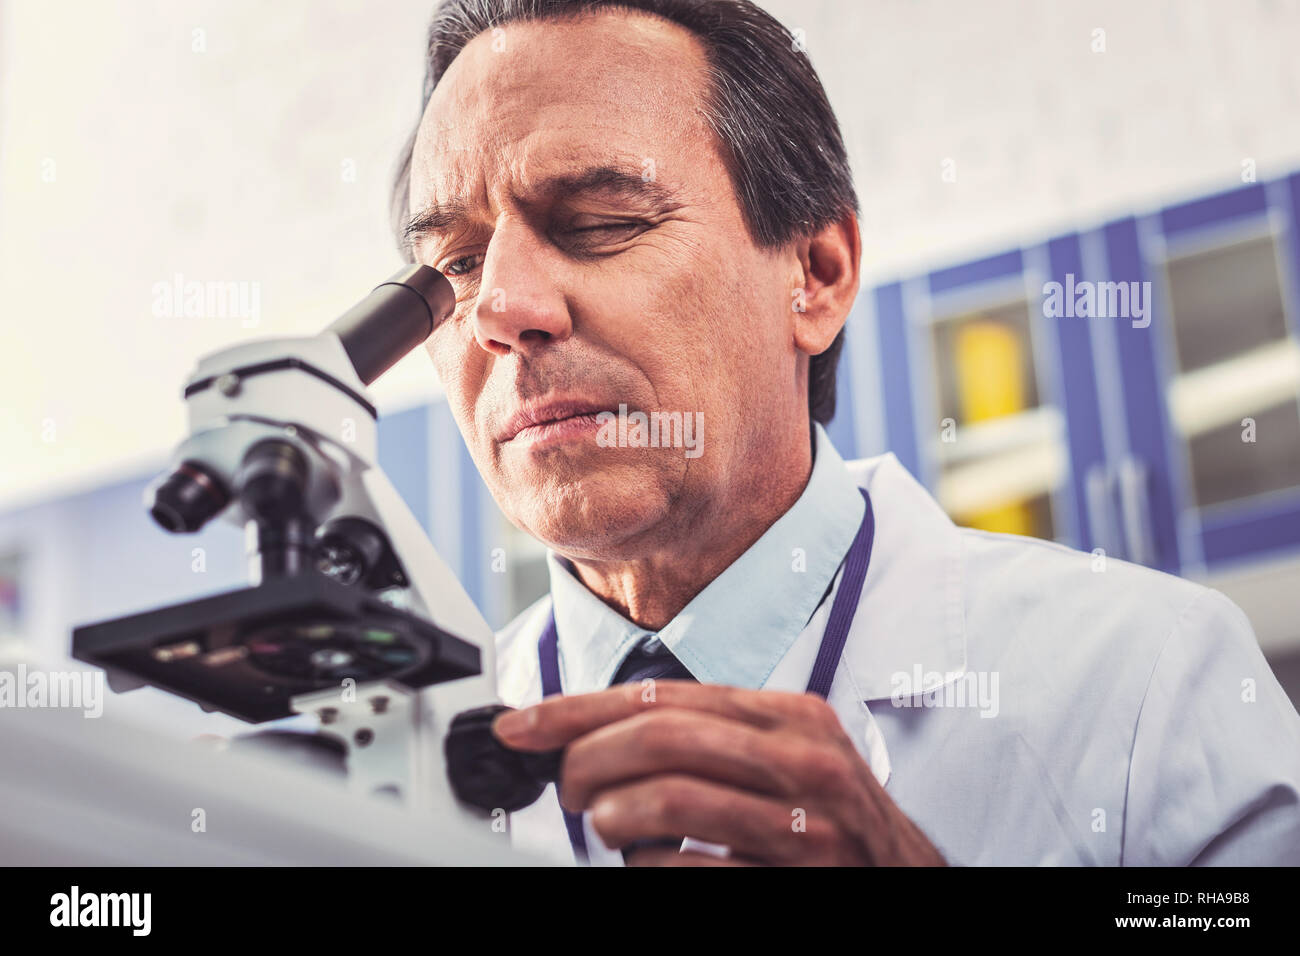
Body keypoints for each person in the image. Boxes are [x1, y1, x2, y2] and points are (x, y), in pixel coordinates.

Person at [391, 0, 1300, 866]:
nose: (500, 309)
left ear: (817, 275)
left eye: (599, 222)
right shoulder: (388, 775)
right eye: (458, 265)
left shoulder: (1147, 677)